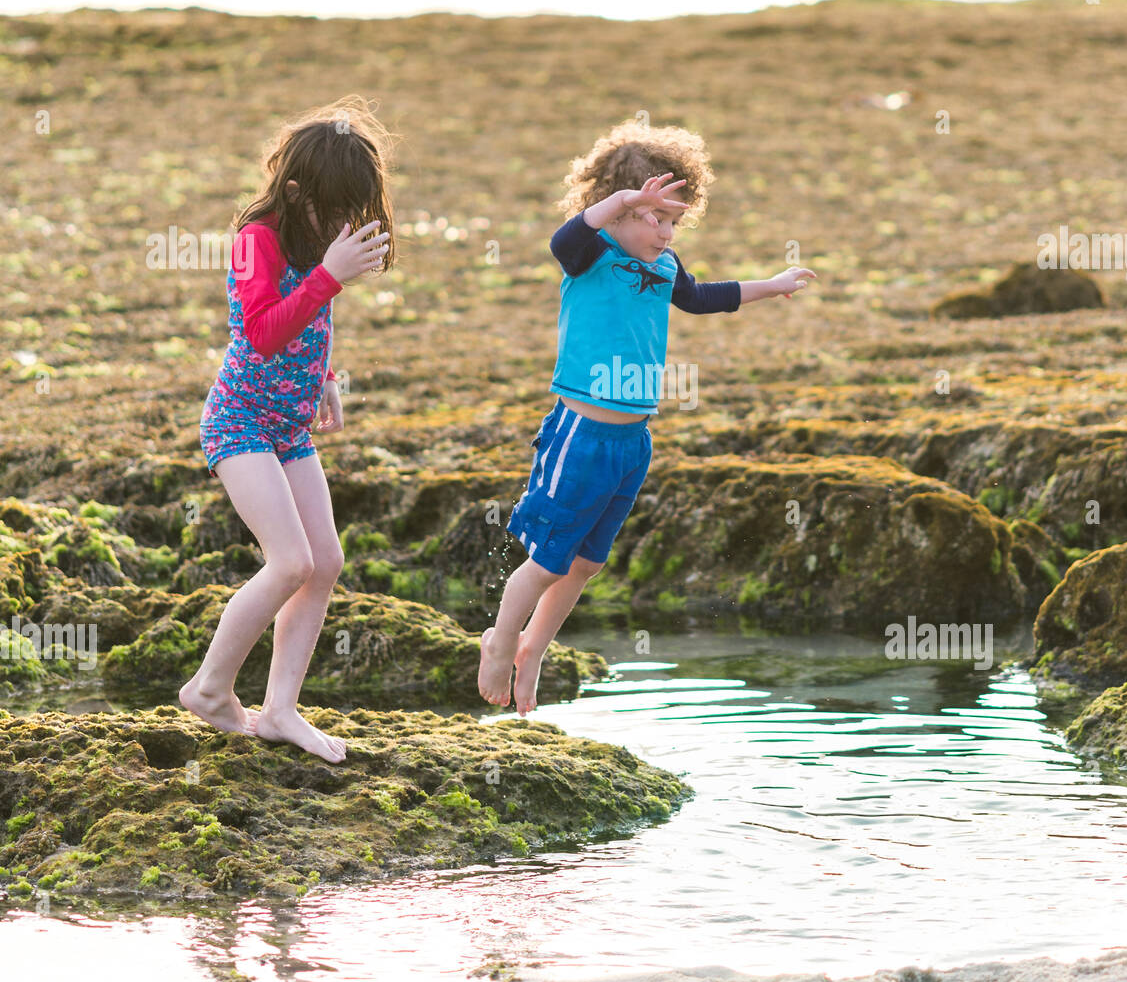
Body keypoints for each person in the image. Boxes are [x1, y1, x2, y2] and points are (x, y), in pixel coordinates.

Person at [479, 119, 816, 716]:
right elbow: (562, 240)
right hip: (581, 434)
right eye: (650, 215)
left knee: (586, 563)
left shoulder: (664, 266)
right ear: (615, 210)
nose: (663, 231)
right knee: (548, 560)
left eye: (673, 221)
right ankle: (500, 640)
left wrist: (771, 284)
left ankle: (534, 648)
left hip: (633, 440)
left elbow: (701, 297)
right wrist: (620, 204)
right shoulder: (589, 254)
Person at [179, 97, 395, 762]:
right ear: (295, 189)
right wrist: (331, 275)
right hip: (239, 421)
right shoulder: (257, 239)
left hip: (289, 426)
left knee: (325, 562)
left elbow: (310, 326)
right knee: (291, 561)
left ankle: (278, 711)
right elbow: (265, 331)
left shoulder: (310, 236)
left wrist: (324, 375)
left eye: (350, 213)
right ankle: (210, 689)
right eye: (332, 210)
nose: (341, 223)